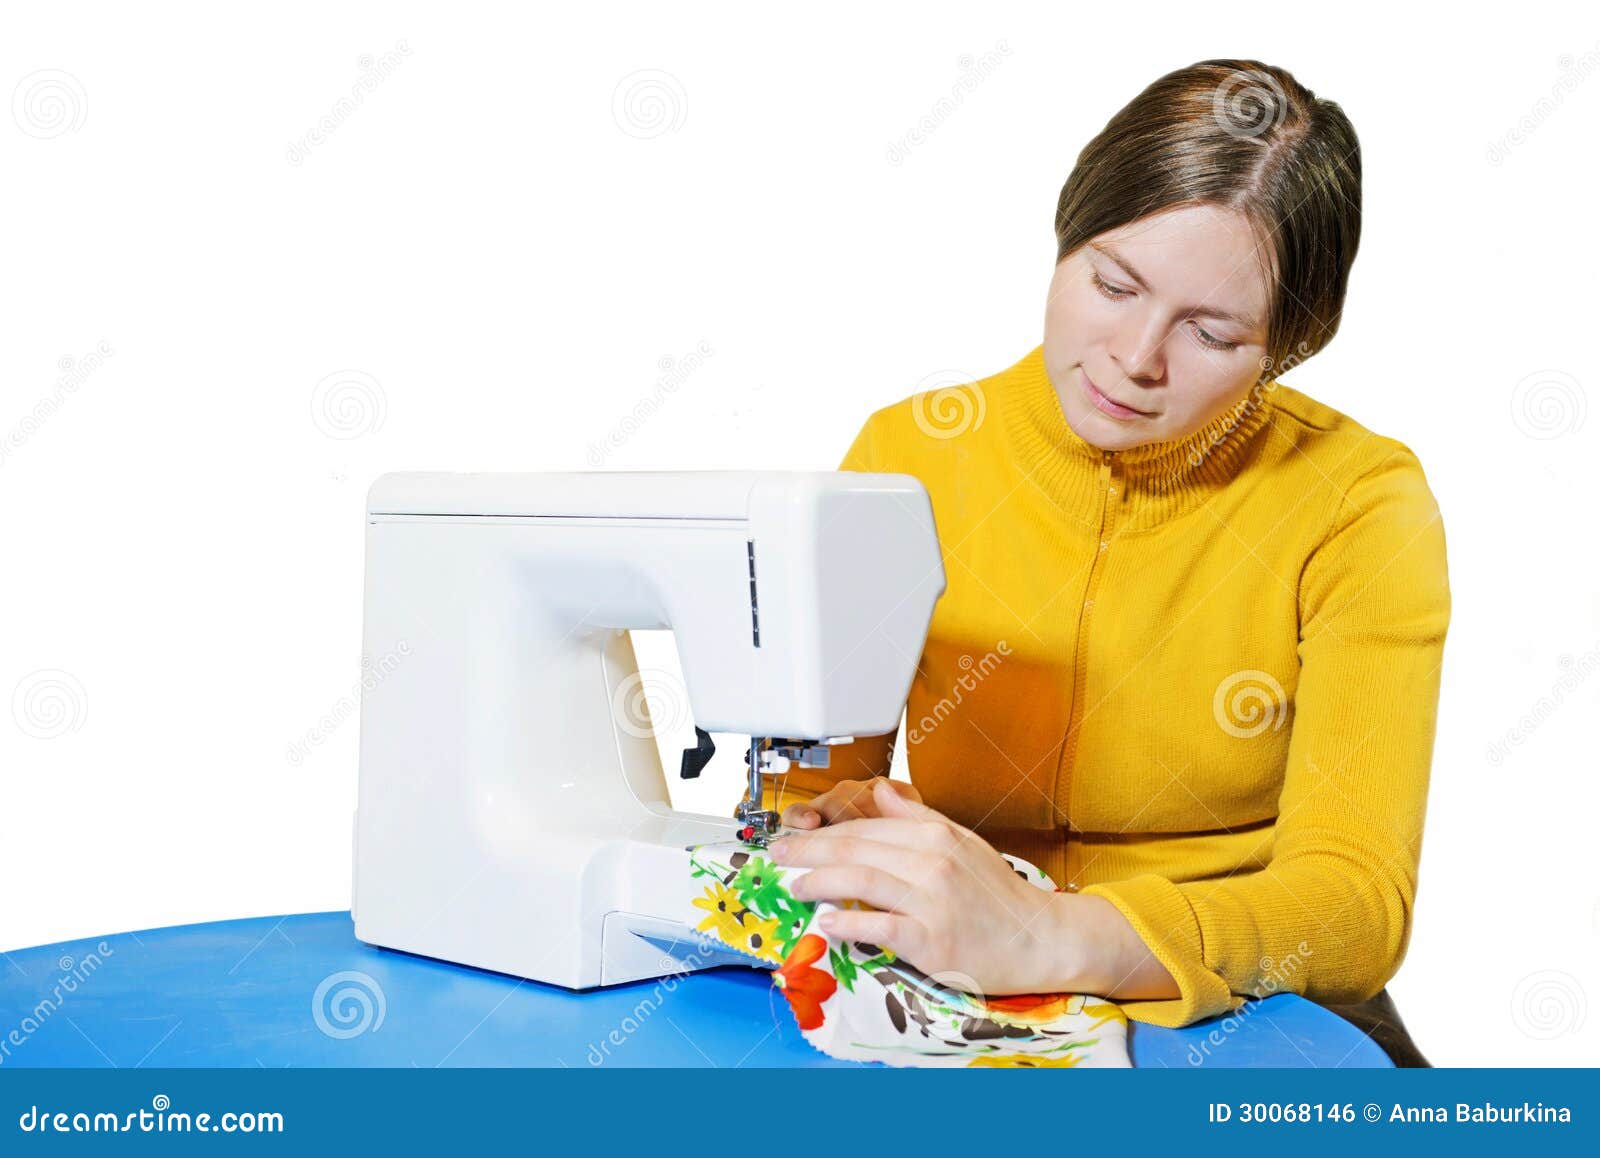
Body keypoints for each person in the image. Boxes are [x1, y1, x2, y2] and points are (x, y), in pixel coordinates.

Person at [760, 58, 1448, 1067]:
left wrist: (1053, 937)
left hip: (1253, 1007)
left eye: (1211, 332)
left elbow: (1354, 906)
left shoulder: (1359, 502)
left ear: (1286, 346)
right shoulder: (909, 455)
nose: (1135, 357)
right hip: (943, 970)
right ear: (1065, 238)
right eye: (1111, 282)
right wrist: (831, 814)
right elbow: (810, 781)